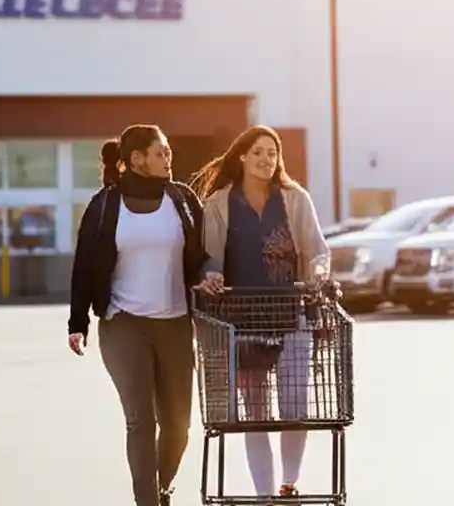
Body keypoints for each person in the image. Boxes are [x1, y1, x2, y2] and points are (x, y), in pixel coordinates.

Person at [68, 124, 225, 506]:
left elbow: (199, 255)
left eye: (168, 151)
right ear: (135, 159)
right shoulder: (105, 206)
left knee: (178, 427)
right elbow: (85, 265)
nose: (168, 158)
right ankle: (147, 503)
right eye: (161, 152)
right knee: (141, 422)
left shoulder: (183, 200)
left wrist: (206, 277)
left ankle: (162, 487)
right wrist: (78, 323)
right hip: (124, 324)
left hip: (174, 323)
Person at [190, 125, 331, 501]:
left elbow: (317, 250)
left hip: (291, 314)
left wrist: (318, 273)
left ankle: (289, 481)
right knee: (255, 411)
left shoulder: (294, 199)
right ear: (241, 156)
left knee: (295, 403)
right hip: (242, 321)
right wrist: (211, 275)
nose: (266, 159)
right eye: (258, 152)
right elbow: (208, 258)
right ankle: (265, 494)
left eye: (272, 152)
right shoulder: (220, 204)